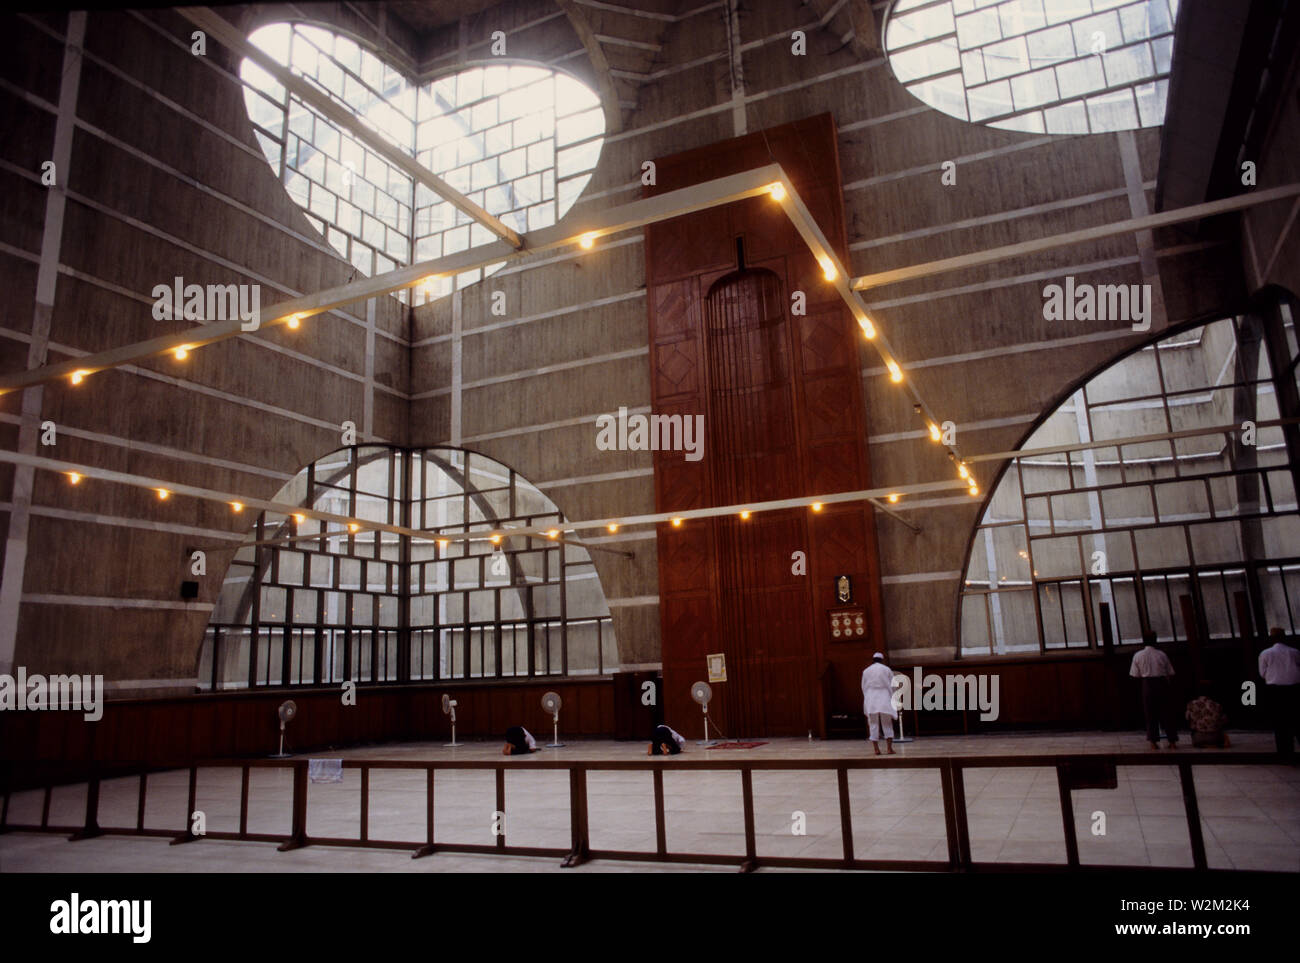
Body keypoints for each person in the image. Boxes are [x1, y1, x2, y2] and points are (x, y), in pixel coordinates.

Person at [1130, 633, 1179, 749]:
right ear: (1155, 641)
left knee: (1150, 714)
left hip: (1147, 684)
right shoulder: (1161, 654)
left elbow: (1135, 674)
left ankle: (1153, 741)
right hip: (1162, 683)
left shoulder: (1138, 655)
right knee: (1167, 713)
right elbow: (1170, 672)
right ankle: (1172, 741)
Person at [1258, 627, 1300, 758]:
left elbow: (1262, 672)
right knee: (1297, 719)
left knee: (1280, 721)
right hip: (1294, 688)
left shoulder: (1265, 653)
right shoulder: (1294, 652)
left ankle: (1284, 751)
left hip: (1275, 689)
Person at [860, 652, 897, 756]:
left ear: (873, 659)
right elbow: (893, 685)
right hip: (884, 696)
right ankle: (889, 748)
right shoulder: (887, 669)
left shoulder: (866, 671)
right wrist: (893, 696)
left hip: (871, 697)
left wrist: (867, 697)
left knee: (873, 724)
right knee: (887, 723)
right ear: (882, 660)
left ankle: (876, 749)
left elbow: (863, 686)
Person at [1185, 684, 1230, 748]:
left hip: (1198, 738)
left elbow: (1187, 718)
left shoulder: (1191, 704)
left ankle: (1200, 741)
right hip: (1215, 738)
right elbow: (1224, 720)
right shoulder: (1217, 705)